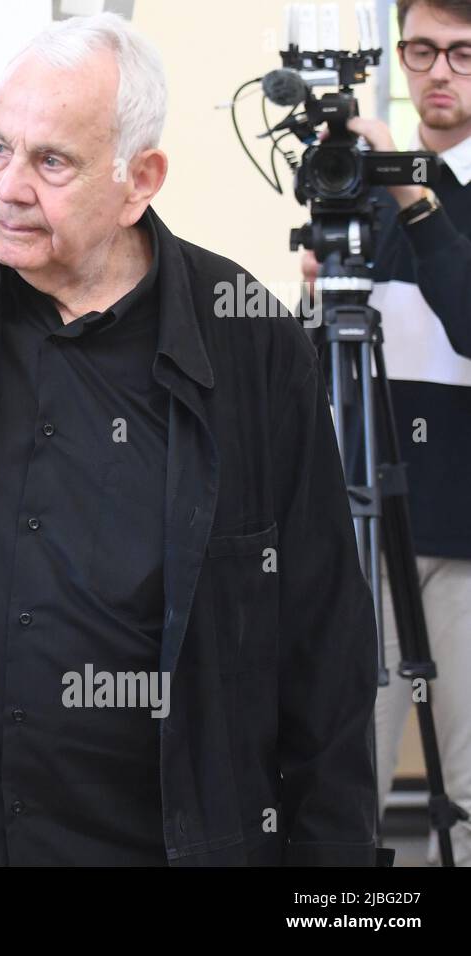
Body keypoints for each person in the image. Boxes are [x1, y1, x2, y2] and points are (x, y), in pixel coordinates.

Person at [0, 12, 378, 865]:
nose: (8, 188)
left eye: (50, 161)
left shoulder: (247, 337)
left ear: (141, 179)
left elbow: (324, 641)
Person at [302, 0, 471, 865]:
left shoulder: (419, 197)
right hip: (364, 525)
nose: (438, 71)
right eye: (422, 50)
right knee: (349, 775)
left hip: (463, 539)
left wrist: (415, 196)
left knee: (464, 791)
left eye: (463, 54)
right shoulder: (352, 187)